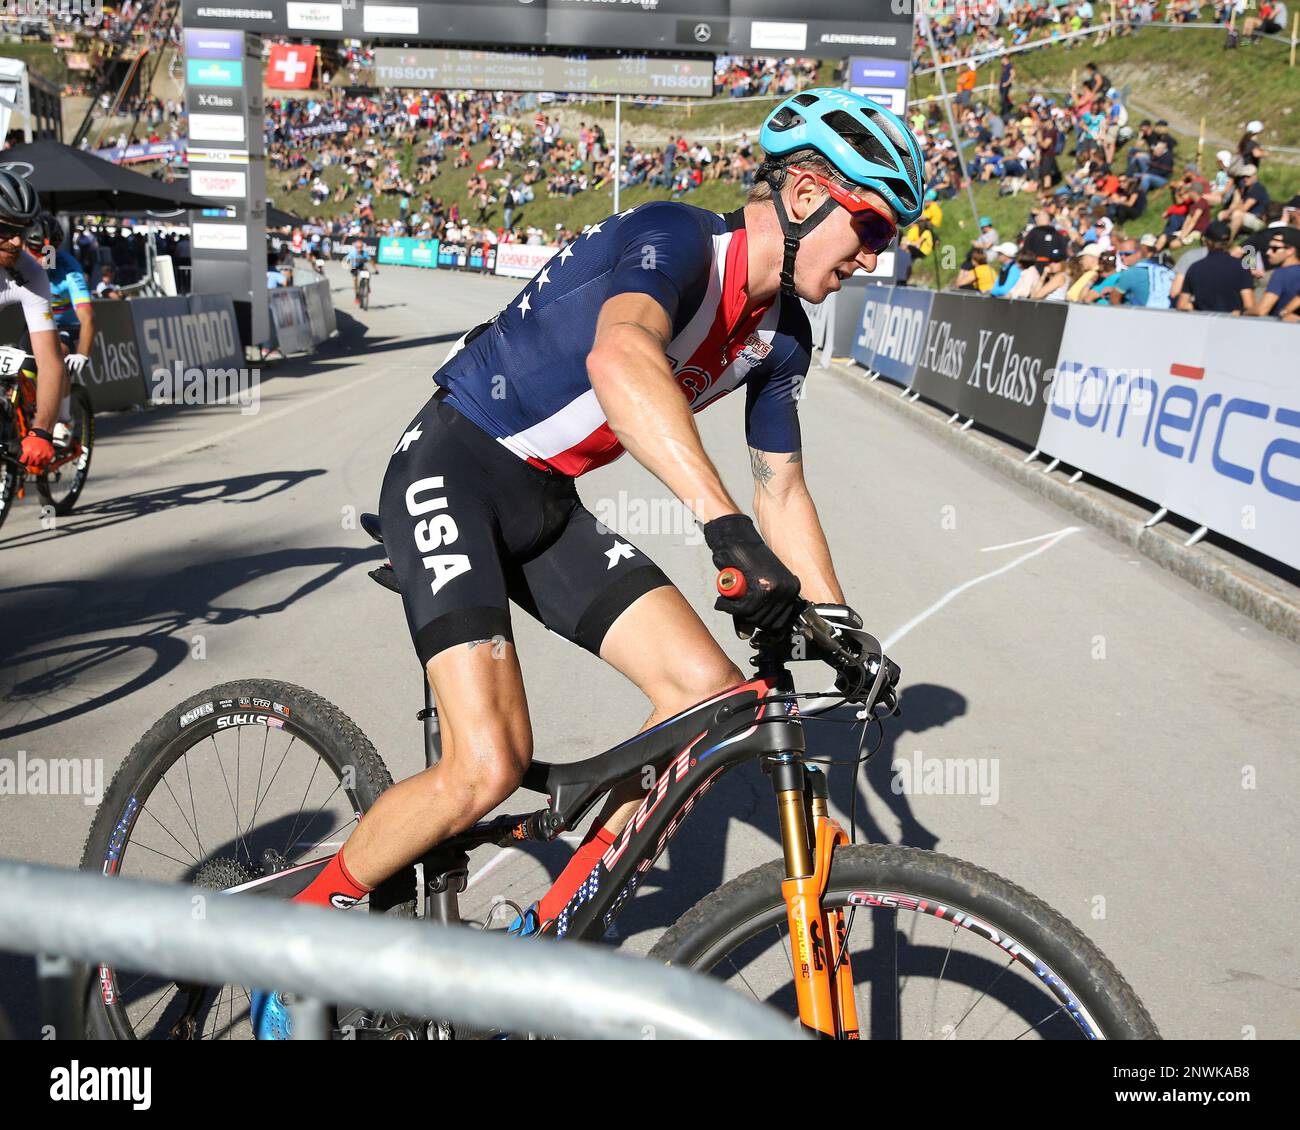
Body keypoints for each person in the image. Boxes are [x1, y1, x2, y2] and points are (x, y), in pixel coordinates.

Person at [249, 89, 927, 1037]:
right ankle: (292, 939)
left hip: (542, 503)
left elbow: (783, 488)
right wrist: (720, 526)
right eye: (872, 226)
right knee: (488, 763)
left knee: (707, 700)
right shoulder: (678, 239)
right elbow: (622, 360)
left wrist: (843, 626)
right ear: (807, 192)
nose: (876, 255)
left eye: (891, 238)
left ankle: (533, 940)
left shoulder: (784, 336)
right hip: (453, 465)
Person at [0, 170, 66, 472]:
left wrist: (42, 431)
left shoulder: (33, 272)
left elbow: (50, 362)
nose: (16, 241)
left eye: (23, 231)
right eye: (5, 229)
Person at [25, 213, 93, 449]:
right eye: (35, 249)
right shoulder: (17, 259)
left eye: (49, 249)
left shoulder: (67, 269)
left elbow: (88, 317)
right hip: (37, 322)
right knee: (21, 369)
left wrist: (82, 353)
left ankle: (62, 420)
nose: (43, 255)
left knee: (58, 356)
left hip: (66, 326)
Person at [1177, 221, 1255, 314]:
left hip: (1203, 324)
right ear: (1229, 241)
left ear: (1206, 241)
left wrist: (1194, 305)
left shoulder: (1195, 268)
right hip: (1232, 323)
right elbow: (1249, 305)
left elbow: (1182, 306)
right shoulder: (1242, 267)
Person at [1248, 226, 1300, 317]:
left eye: (1274, 248)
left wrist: (1242, 312)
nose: (1268, 252)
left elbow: (1262, 310)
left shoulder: (1281, 274)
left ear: (1290, 251)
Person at [344, 238, 375, 304]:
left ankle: (367, 285)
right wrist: (349, 266)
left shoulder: (364, 253)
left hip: (361, 266)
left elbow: (371, 261)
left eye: (361, 247)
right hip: (354, 267)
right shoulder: (352, 253)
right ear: (355, 247)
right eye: (358, 247)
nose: (359, 249)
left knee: (367, 273)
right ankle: (357, 296)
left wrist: (376, 269)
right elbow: (347, 261)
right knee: (355, 279)